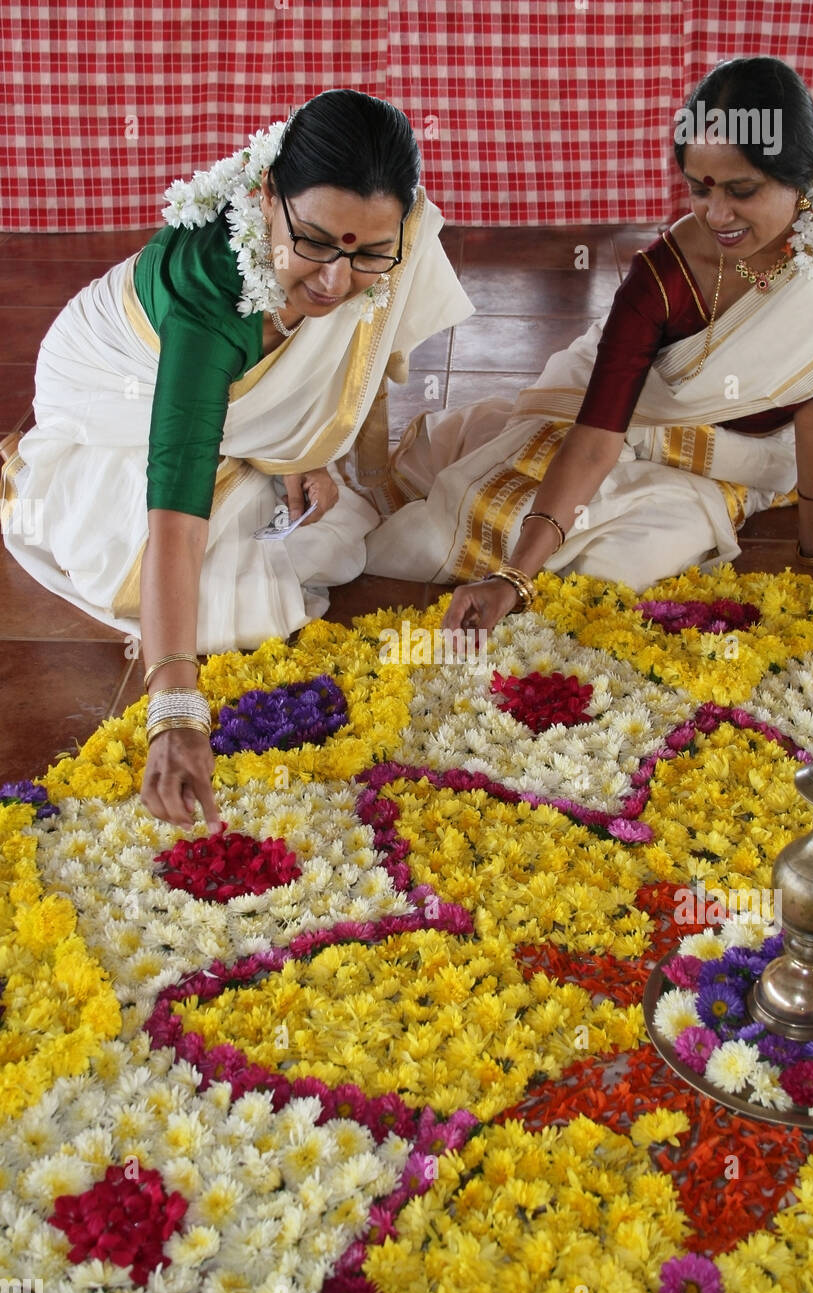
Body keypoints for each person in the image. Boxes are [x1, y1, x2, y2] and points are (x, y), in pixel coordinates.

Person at [0, 89, 472, 832]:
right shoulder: (208, 305)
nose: (334, 282)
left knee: (329, 532)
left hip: (219, 395)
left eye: (369, 255)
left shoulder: (388, 231)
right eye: (312, 242)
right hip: (115, 383)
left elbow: (358, 355)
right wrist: (175, 713)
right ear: (265, 198)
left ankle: (255, 453)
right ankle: (68, 476)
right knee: (229, 606)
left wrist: (306, 448)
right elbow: (177, 527)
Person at [361, 57, 813, 635]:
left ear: (801, 179)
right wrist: (513, 580)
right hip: (622, 412)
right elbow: (598, 439)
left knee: (621, 564)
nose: (716, 215)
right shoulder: (662, 277)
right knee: (485, 514)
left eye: (742, 190)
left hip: (746, 454)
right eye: (699, 189)